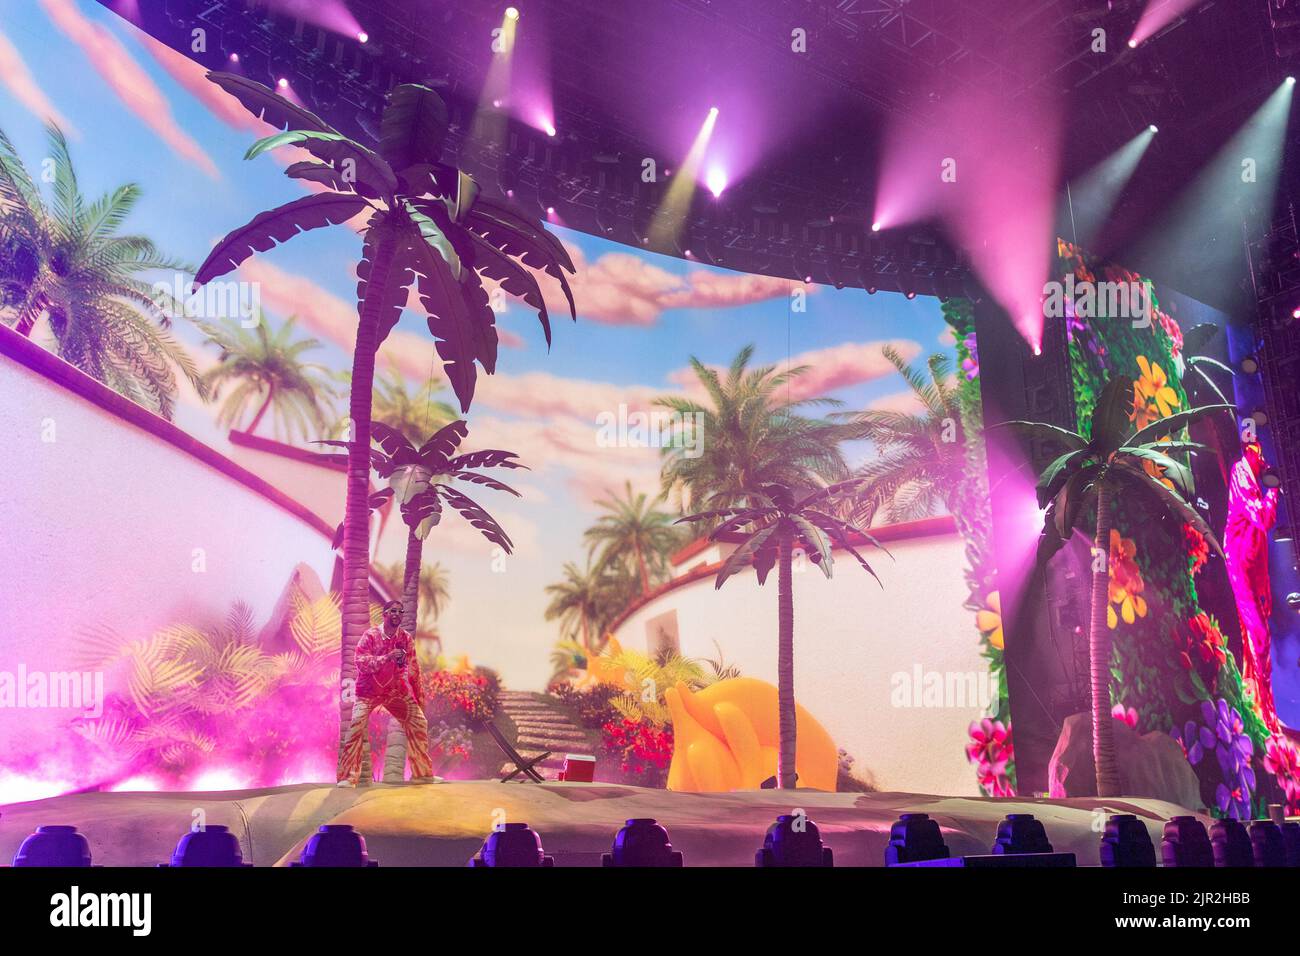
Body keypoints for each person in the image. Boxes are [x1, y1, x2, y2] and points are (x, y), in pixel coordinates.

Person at [337, 599, 435, 786]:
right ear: (385, 614)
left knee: (419, 722)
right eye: (393, 611)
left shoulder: (405, 638)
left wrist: (419, 697)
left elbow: (414, 669)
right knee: (356, 725)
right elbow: (361, 662)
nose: (397, 614)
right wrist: (386, 658)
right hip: (368, 692)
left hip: (395, 692)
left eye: (400, 611)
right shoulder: (371, 635)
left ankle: (422, 774)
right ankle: (348, 777)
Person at [1224, 440, 1281, 731]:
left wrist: (1266, 588)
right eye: (1260, 454)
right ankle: (1266, 715)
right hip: (1239, 566)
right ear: (1251, 452)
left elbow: (1259, 543)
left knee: (1256, 636)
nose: (1264, 462)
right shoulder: (1240, 473)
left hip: (1251, 568)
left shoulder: (1252, 478)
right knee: (1258, 635)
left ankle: (1259, 707)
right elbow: (1263, 517)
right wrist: (1274, 490)